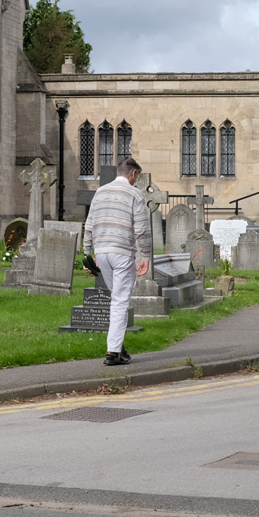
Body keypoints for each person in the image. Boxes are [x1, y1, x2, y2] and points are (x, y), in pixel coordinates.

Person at [83, 155, 151, 367]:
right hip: (122, 252)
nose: (136, 180)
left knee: (116, 299)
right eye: (136, 176)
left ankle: (118, 344)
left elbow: (89, 224)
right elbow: (141, 229)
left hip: (102, 251)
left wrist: (87, 255)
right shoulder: (135, 194)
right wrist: (146, 256)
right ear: (132, 173)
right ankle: (113, 352)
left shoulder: (100, 192)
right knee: (120, 302)